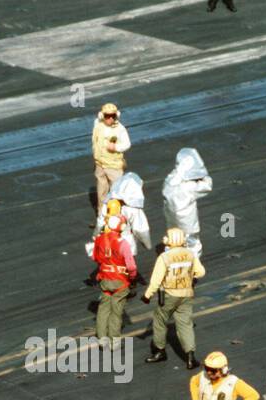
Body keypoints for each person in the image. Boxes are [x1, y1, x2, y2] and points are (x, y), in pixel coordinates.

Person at [143, 228, 204, 368]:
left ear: (169, 241)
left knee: (159, 319)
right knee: (185, 324)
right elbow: (200, 272)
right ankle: (190, 357)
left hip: (170, 294)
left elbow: (156, 280)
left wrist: (147, 295)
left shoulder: (164, 257)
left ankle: (160, 351)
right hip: (187, 294)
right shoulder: (190, 254)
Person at [88, 213, 138, 341]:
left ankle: (101, 338)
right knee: (116, 312)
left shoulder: (99, 239)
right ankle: (114, 341)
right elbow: (131, 267)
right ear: (120, 226)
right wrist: (132, 278)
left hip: (105, 279)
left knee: (103, 308)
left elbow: (95, 257)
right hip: (120, 281)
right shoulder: (123, 243)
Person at [161, 147, 212, 256]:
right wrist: (204, 176)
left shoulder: (169, 180)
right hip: (187, 220)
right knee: (192, 242)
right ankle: (192, 262)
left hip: (171, 217)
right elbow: (207, 186)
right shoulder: (189, 186)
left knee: (173, 237)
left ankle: (172, 254)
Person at [99, 173, 152, 253]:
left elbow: (100, 221)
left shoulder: (108, 203)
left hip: (108, 241)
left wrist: (96, 235)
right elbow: (140, 229)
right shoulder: (133, 209)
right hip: (126, 243)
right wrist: (147, 244)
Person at [92, 103, 131, 208]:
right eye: (107, 116)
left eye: (112, 116)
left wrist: (116, 148)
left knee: (117, 193)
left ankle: (117, 218)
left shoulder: (120, 129)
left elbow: (127, 144)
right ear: (102, 116)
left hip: (113, 166)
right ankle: (101, 217)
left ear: (116, 115)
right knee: (101, 193)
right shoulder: (97, 124)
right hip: (100, 164)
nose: (110, 118)